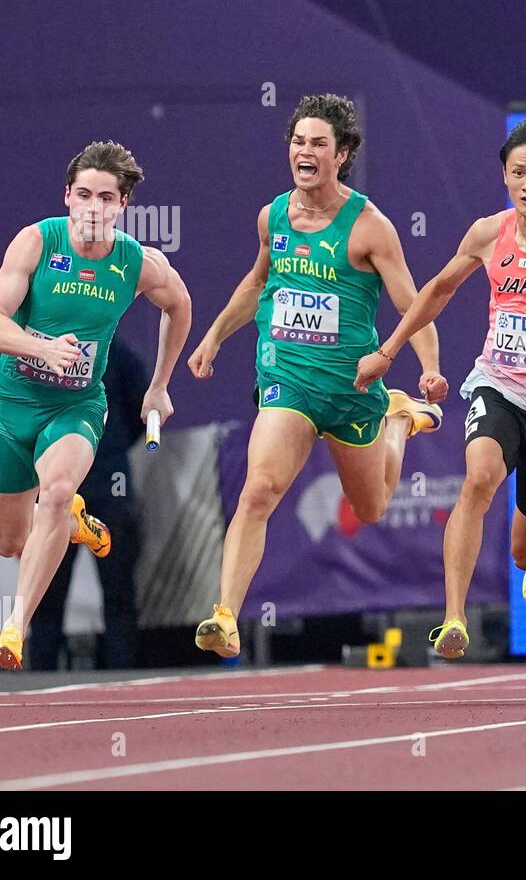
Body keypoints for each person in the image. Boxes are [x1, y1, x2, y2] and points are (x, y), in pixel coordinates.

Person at [355, 119, 526, 659]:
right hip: (498, 384)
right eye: (518, 173)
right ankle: (454, 619)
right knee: (478, 480)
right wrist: (388, 352)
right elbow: (436, 291)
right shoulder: (488, 232)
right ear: (504, 175)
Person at [188, 93, 447, 659]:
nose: (304, 153)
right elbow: (258, 282)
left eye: (317, 144)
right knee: (259, 489)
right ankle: (226, 615)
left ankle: (398, 421)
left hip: (351, 391)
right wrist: (213, 336)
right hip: (288, 381)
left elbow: (414, 303)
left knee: (373, 507)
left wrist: (429, 367)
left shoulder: (371, 227)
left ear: (342, 154)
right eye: (298, 142)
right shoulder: (273, 215)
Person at [0, 141, 192, 670]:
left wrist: (159, 385)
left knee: (54, 493)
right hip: (13, 403)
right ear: (67, 197)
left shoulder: (138, 262)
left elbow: (180, 307)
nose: (93, 208)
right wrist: (42, 347)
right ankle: (75, 520)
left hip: (76, 406)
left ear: (122, 207)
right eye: (84, 195)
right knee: (9, 542)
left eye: (105, 198)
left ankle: (15, 627)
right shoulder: (35, 243)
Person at [29, 337, 147, 670]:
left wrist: (110, 446)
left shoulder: (119, 355)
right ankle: (38, 680)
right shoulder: (41, 353)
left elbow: (139, 413)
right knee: (46, 589)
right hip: (56, 488)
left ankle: (123, 679)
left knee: (118, 589)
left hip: (109, 486)